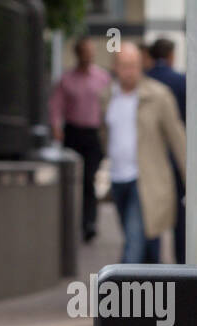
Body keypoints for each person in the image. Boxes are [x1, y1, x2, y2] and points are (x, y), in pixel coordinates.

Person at [102, 44, 186, 265]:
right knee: (146, 244)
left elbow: (178, 140)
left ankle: (122, 295)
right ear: (114, 67)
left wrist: (191, 182)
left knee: (133, 244)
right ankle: (153, 292)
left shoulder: (159, 96)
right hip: (118, 178)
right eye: (123, 66)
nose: (128, 71)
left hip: (147, 181)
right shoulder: (107, 96)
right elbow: (105, 134)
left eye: (132, 66)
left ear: (141, 66)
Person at [49, 37, 111, 243]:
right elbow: (56, 106)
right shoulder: (66, 79)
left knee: (88, 179)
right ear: (78, 53)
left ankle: (89, 223)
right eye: (85, 51)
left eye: (91, 51)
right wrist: (56, 127)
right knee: (71, 180)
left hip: (94, 135)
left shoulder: (102, 78)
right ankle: (70, 223)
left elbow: (111, 106)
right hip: (73, 133)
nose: (89, 55)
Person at [145, 37, 187, 264]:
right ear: (171, 55)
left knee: (152, 211)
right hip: (177, 154)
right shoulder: (182, 81)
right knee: (181, 214)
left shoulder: (145, 81)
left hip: (151, 156)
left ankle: (153, 265)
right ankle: (181, 263)